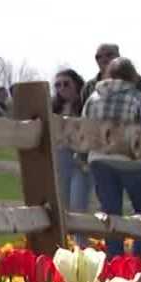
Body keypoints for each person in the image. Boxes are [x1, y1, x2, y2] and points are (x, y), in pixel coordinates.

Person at [82, 58, 141, 258]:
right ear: (133, 76)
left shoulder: (93, 98)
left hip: (100, 160)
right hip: (132, 162)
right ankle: (140, 258)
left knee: (110, 214)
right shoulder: (137, 97)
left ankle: (114, 259)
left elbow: (83, 129)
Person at [52, 68, 92, 246]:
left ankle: (81, 248)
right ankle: (64, 247)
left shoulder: (86, 105)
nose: (62, 88)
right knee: (63, 207)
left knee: (79, 205)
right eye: (58, 85)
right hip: (61, 159)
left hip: (80, 159)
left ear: (76, 84)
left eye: (66, 83)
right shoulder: (53, 108)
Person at [80, 43, 141, 115]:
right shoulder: (89, 87)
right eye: (98, 57)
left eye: (109, 55)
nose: (103, 59)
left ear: (118, 56)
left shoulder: (137, 82)